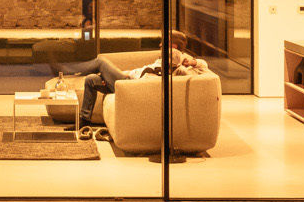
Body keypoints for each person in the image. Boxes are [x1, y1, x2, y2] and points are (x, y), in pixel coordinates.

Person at [65, 38, 211, 133]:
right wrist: (107, 77)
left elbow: (203, 68)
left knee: (101, 61)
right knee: (91, 79)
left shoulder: (180, 64)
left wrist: (191, 63)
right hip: (126, 79)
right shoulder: (161, 59)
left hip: (131, 87)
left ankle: (69, 70)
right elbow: (136, 72)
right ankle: (84, 122)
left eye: (165, 44)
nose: (160, 46)